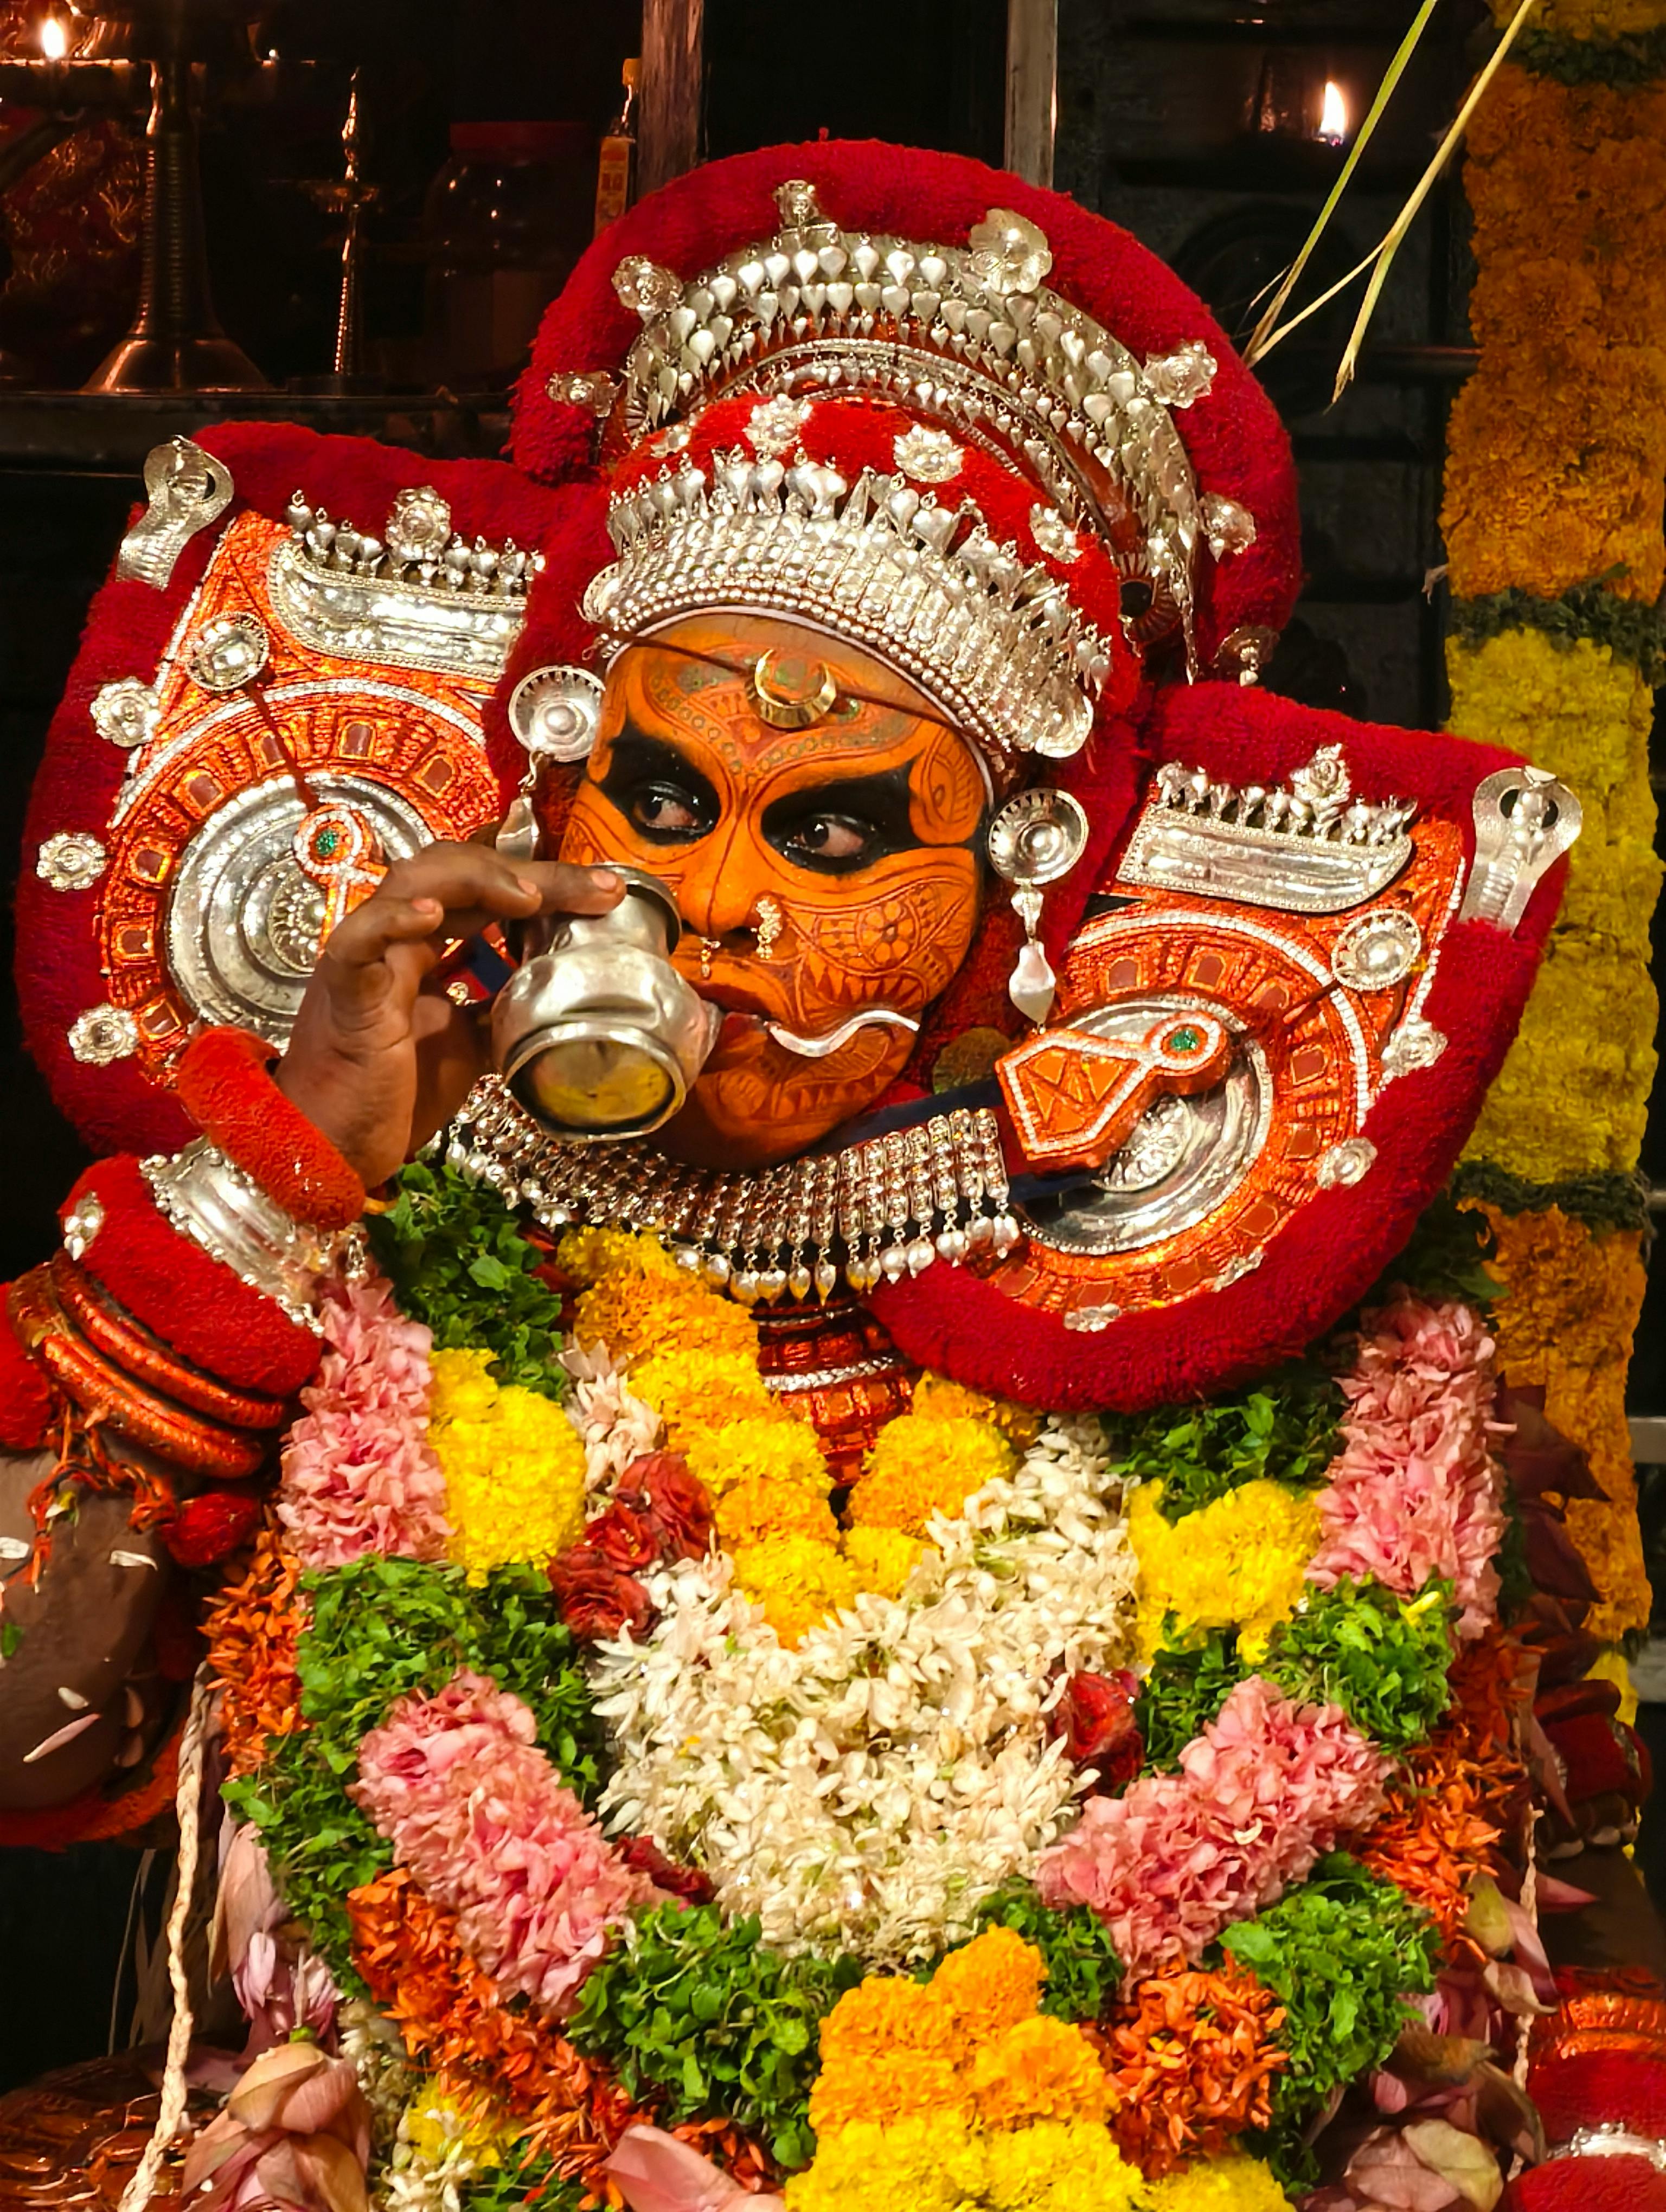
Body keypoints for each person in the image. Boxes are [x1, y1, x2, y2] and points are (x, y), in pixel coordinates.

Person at [0, 142, 1656, 2212]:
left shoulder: (1248, 1334)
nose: (708, 911)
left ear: (1018, 900)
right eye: (665, 799)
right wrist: (296, 1173)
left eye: (839, 836)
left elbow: (1577, 1943)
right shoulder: (374, 1272)